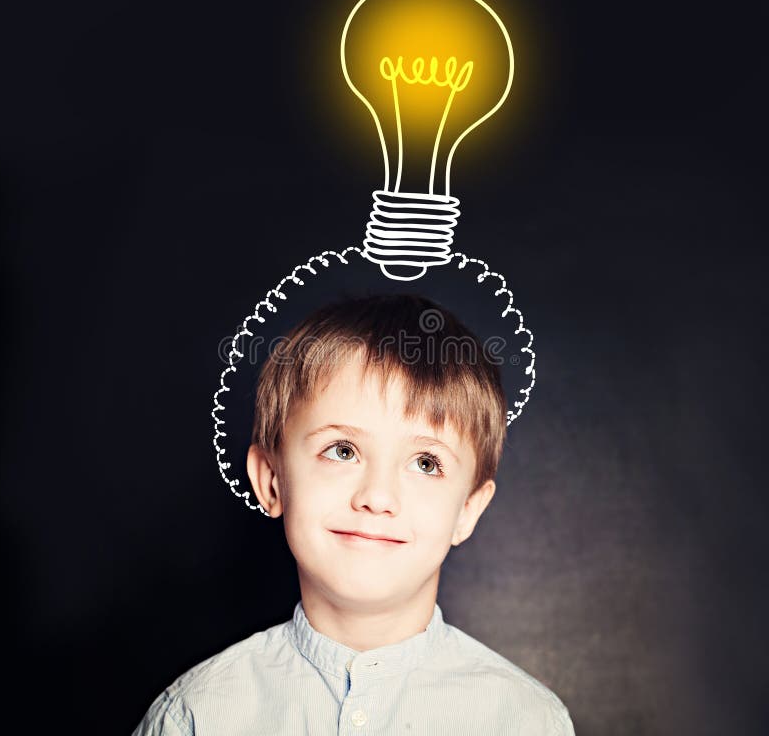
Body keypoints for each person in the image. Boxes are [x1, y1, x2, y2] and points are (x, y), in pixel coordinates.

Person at [132, 293, 575, 735]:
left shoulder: (527, 721)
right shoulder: (193, 716)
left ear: (467, 510)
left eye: (425, 462)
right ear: (270, 481)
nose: (377, 496)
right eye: (342, 451)